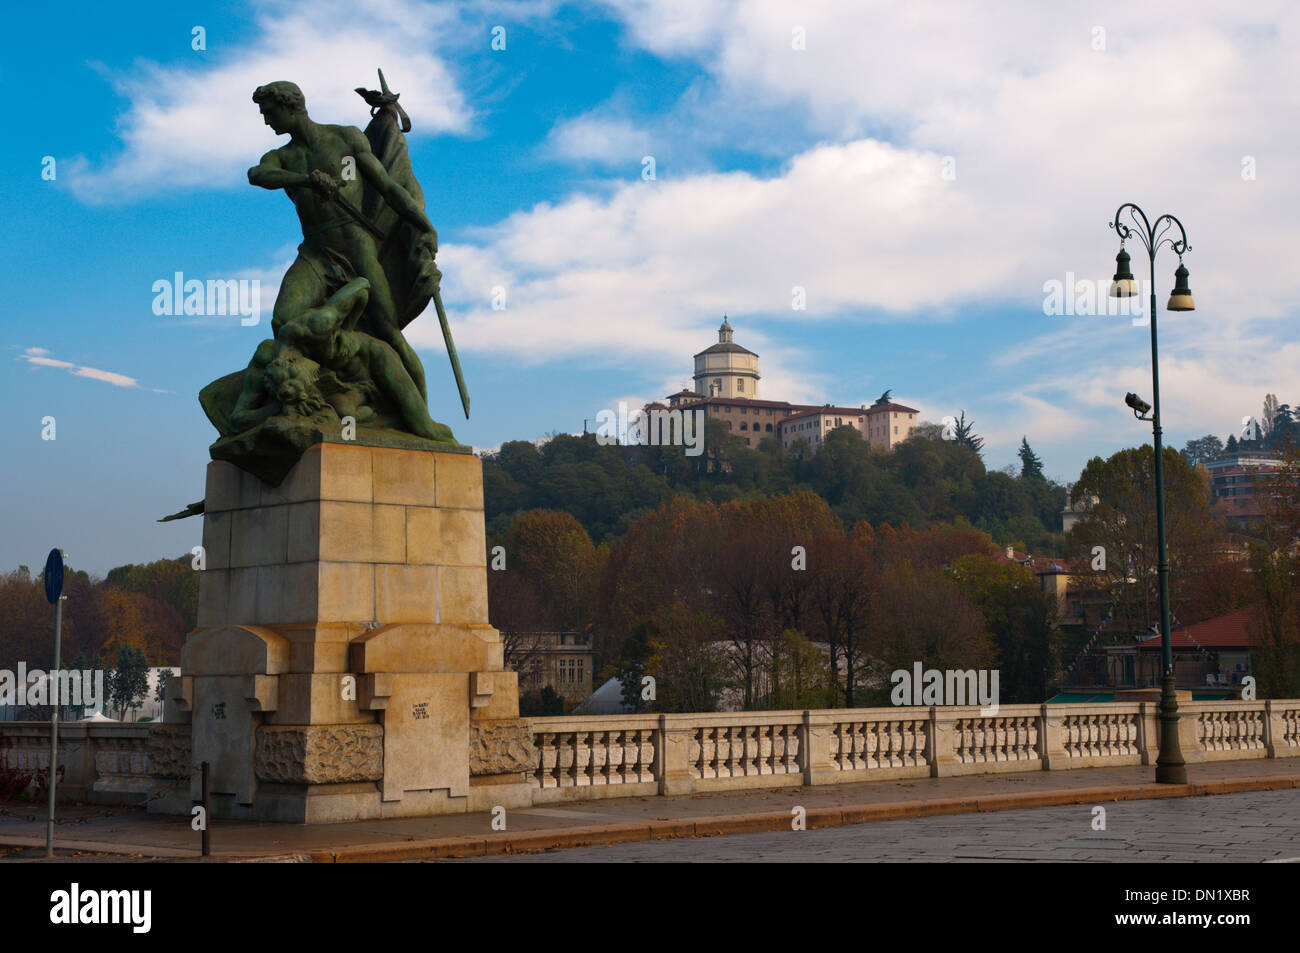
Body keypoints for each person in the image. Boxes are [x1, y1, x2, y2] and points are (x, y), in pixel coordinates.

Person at [246, 80, 435, 401]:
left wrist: (423, 225)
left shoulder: (344, 137)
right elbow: (257, 175)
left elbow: (389, 188)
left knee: (389, 333)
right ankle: (325, 389)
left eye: (269, 112)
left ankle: (420, 417)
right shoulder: (281, 157)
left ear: (290, 106)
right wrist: (306, 180)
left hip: (357, 249)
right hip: (315, 254)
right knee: (284, 323)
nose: (266, 120)